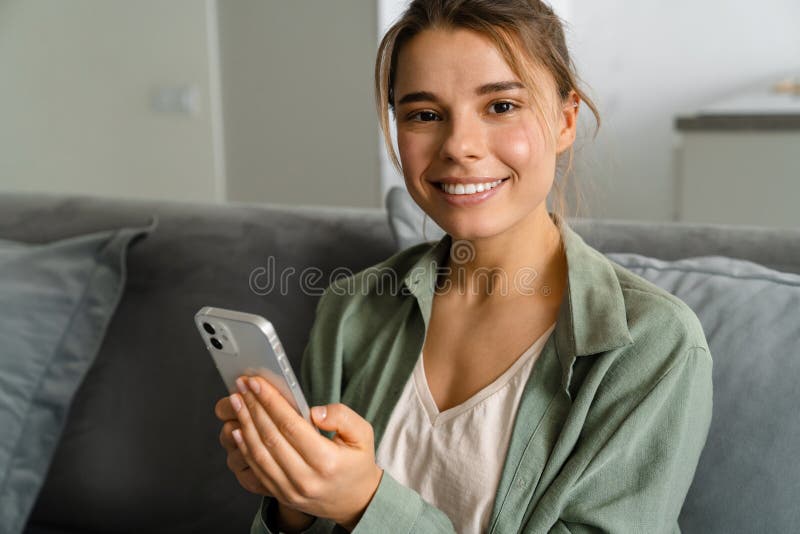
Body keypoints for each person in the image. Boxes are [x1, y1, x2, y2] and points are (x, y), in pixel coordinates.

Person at [214, 0, 713, 532]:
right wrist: (295, 500)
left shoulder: (652, 344)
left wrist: (366, 502)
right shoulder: (355, 306)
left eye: (501, 106)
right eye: (425, 115)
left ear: (566, 121)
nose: (459, 147)